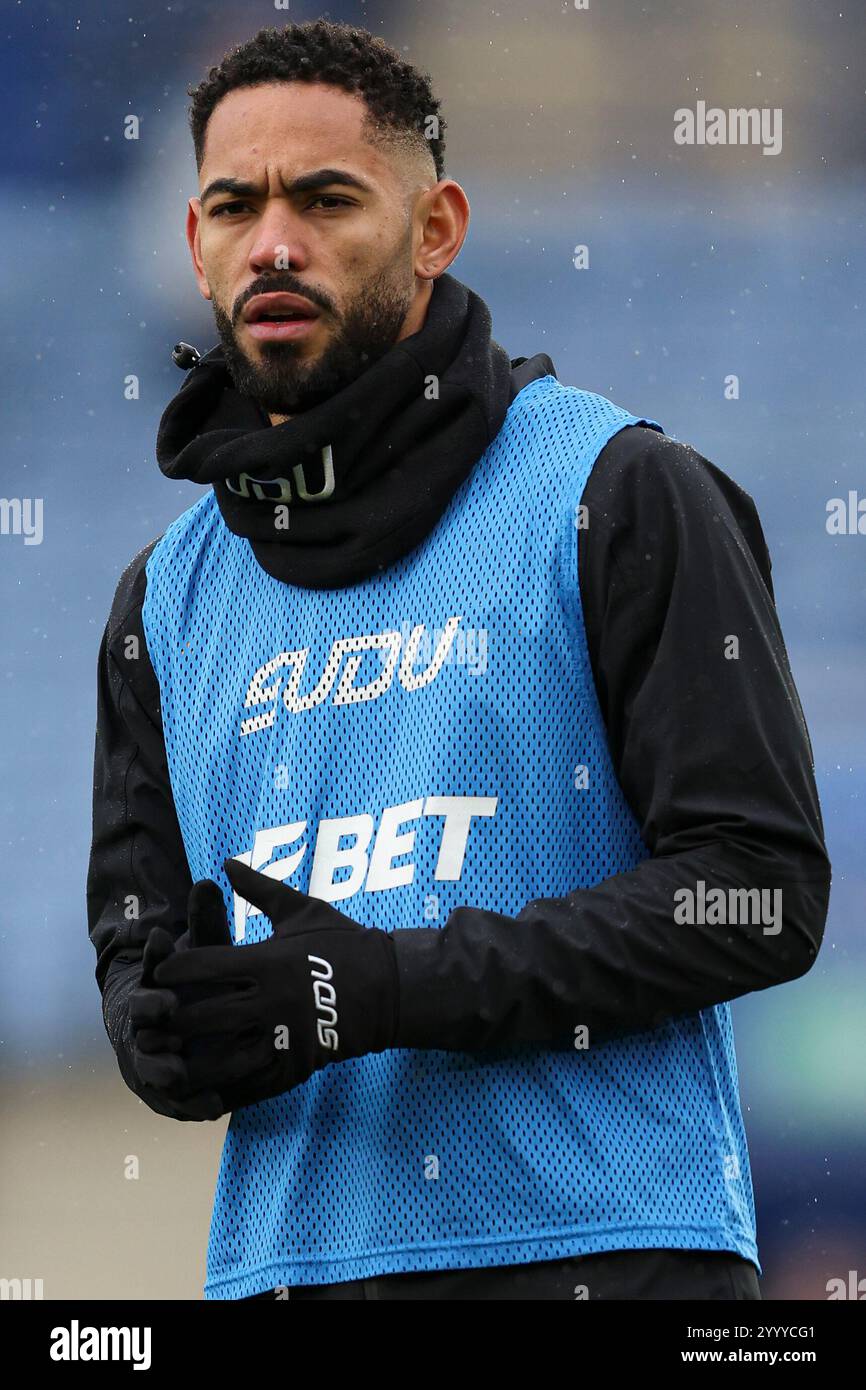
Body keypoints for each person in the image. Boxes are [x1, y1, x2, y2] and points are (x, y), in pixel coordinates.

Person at [87, 19, 830, 1302]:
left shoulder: (616, 493)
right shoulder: (162, 601)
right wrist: (171, 1037)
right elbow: (139, 965)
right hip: (283, 1271)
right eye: (234, 205)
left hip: (605, 1256)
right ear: (194, 244)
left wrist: (384, 986)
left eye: (327, 199)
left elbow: (760, 893)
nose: (274, 242)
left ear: (435, 228)